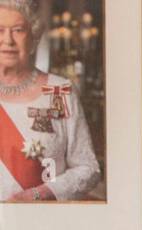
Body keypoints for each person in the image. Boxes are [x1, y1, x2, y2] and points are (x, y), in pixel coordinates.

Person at [0, 0, 100, 202]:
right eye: (0, 30)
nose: (8, 40)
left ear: (33, 37)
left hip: (44, 224)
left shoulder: (59, 91)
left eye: (18, 30)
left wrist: (40, 194)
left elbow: (88, 168)